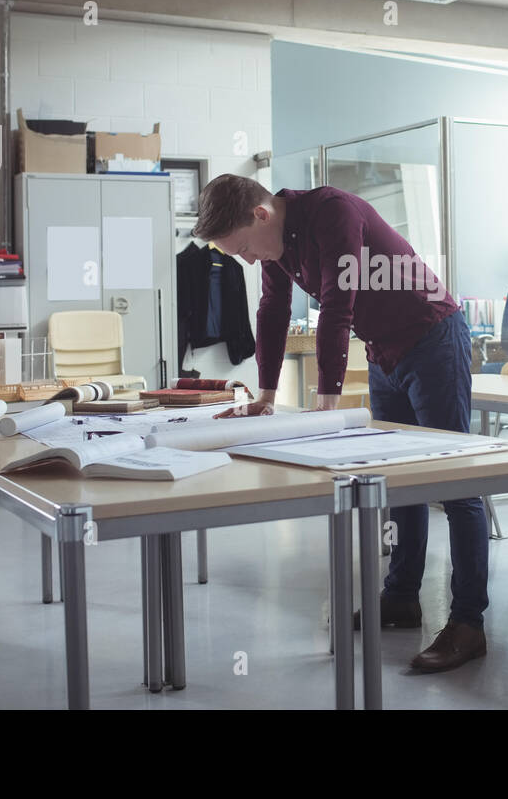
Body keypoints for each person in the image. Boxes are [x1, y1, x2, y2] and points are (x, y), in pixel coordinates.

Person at [192, 173, 487, 673]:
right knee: (396, 481)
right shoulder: (277, 244)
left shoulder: (333, 211)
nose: (246, 258)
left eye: (243, 247)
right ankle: (400, 598)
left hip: (433, 338)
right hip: (385, 352)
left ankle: (468, 624)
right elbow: (273, 309)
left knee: (456, 482)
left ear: (260, 215)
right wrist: (265, 394)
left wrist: (325, 401)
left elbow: (337, 303)